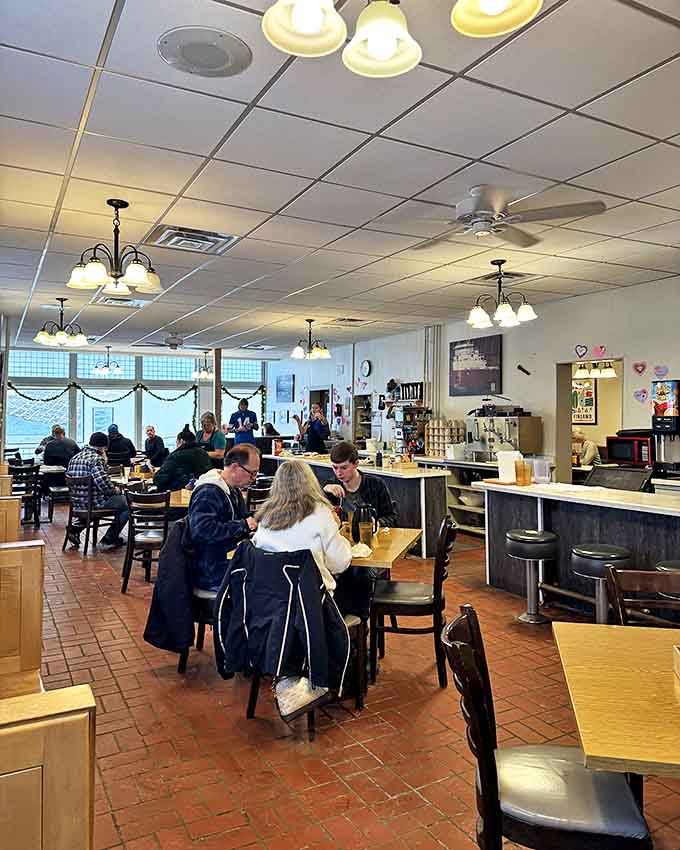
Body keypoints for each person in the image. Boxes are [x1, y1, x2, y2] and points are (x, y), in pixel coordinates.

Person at [253, 460, 352, 593]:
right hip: (311, 601)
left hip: (270, 600)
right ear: (311, 482)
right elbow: (339, 563)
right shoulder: (321, 513)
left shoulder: (266, 517)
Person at [188, 444, 260, 591]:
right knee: (268, 582)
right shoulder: (208, 492)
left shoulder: (233, 489)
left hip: (226, 562)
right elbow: (202, 532)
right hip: (212, 572)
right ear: (235, 467)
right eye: (252, 473)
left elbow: (245, 519)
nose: (254, 478)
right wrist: (243, 526)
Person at [66, 432, 128, 548]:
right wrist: (117, 490)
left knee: (102, 501)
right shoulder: (96, 459)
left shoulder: (74, 458)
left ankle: (76, 528)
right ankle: (109, 538)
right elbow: (105, 487)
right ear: (104, 447)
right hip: (94, 504)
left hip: (77, 504)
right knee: (127, 503)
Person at [323, 441, 397, 527]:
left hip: (370, 536)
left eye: (344, 468)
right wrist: (324, 490)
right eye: (335, 467)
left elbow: (391, 517)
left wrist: (377, 524)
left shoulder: (376, 485)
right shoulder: (330, 486)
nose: (338, 473)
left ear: (356, 464)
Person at [153, 424, 212, 492]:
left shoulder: (175, 456)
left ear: (181, 441)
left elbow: (159, 479)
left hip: (180, 494)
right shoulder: (203, 453)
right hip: (204, 491)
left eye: (176, 442)